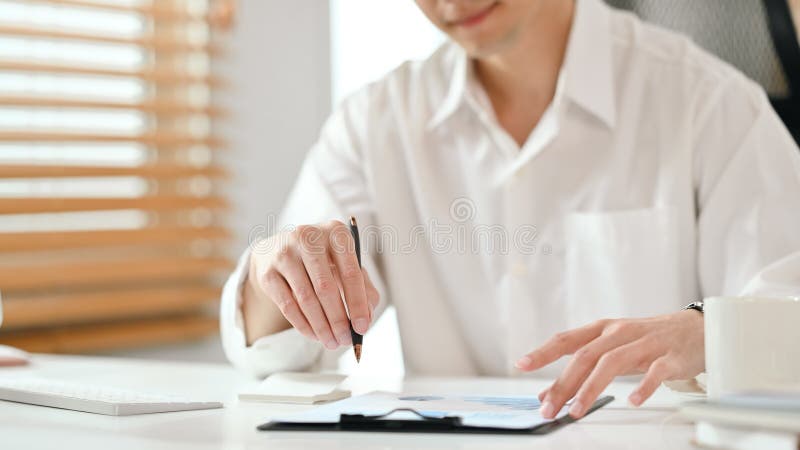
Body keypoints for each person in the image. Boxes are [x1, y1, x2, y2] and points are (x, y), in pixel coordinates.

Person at [221, 0, 800, 419]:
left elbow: (789, 305)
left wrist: (705, 329)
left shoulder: (710, 104)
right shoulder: (373, 123)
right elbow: (277, 354)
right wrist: (275, 271)